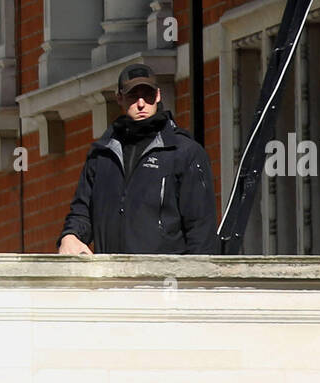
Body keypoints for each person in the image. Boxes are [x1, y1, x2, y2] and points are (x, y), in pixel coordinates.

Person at [58, 63, 218, 255]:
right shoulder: (102, 154)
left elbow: (201, 229)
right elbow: (82, 212)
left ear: (158, 96)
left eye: (148, 95)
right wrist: (71, 236)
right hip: (111, 279)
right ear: (119, 98)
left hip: (164, 280)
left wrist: (194, 282)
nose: (141, 103)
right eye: (133, 96)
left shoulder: (184, 152)